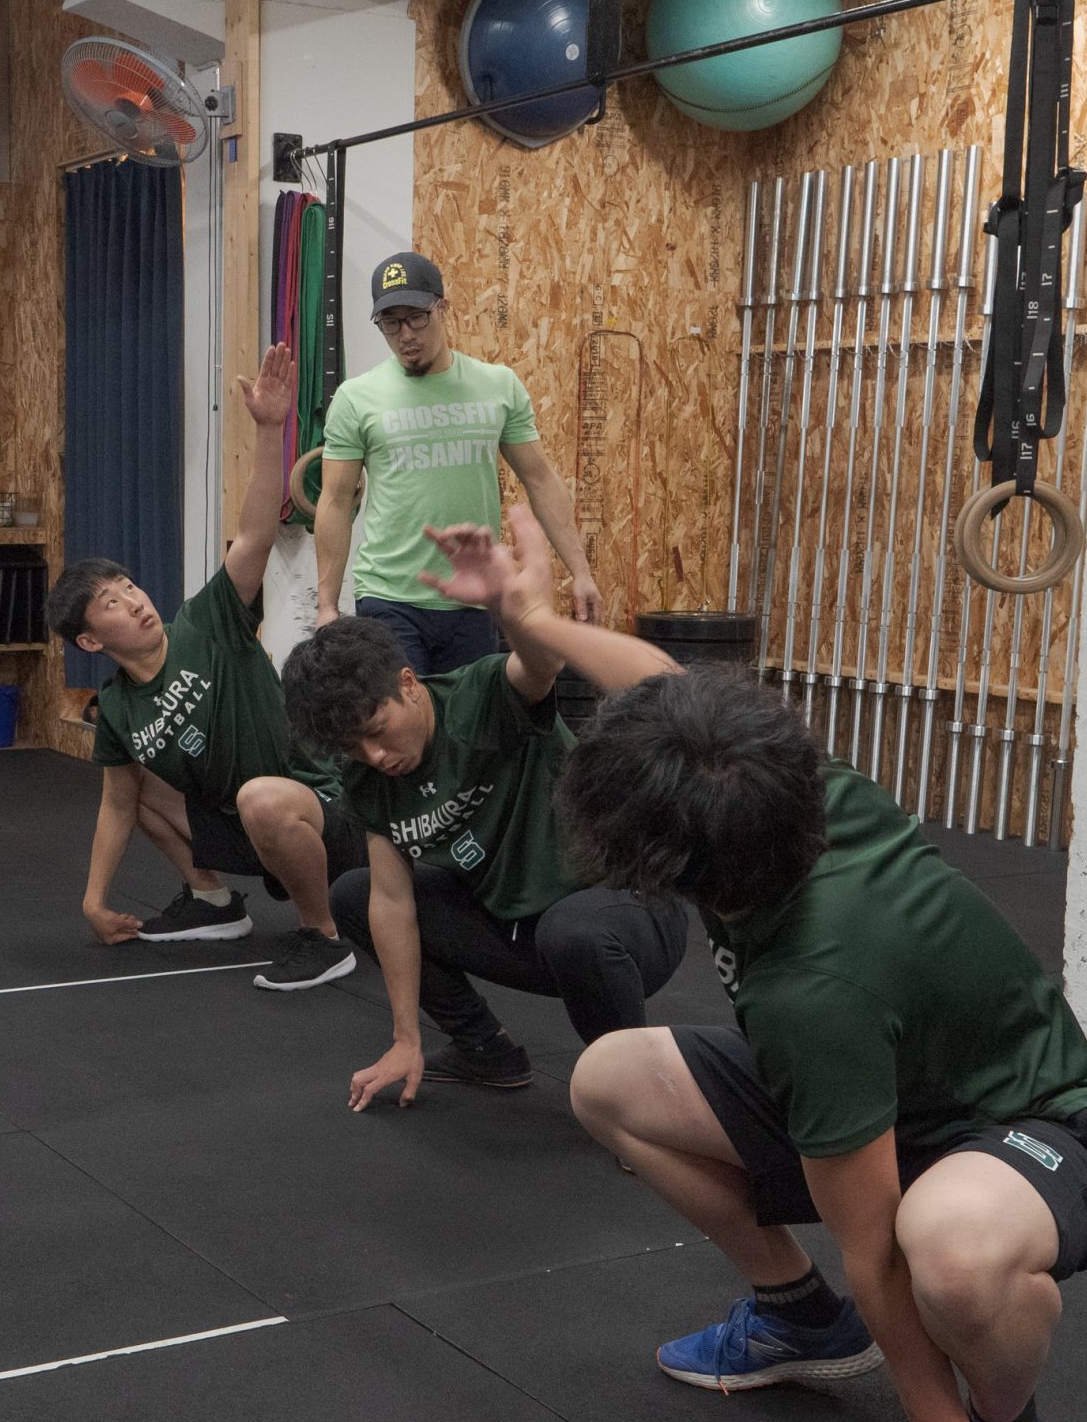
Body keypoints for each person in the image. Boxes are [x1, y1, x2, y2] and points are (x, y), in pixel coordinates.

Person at [455, 524, 1087, 1422]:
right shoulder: (790, 792)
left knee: (942, 1253)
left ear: (661, 863)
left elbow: (876, 1248)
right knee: (610, 1082)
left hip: (1035, 1126)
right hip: (887, 1084)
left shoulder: (811, 988)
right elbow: (665, 686)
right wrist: (531, 620)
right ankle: (792, 1316)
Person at [281, 508, 687, 1107]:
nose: (373, 755)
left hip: (629, 914)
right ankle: (483, 1050)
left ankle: (641, 1098)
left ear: (409, 682)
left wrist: (518, 614)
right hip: (521, 927)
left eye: (377, 728)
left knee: (573, 933)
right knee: (354, 894)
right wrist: (404, 1037)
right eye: (351, 748)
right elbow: (392, 901)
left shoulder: (479, 698)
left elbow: (538, 669)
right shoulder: (367, 778)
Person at [47, 342, 367, 991]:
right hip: (246, 823)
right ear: (88, 641)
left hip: (321, 807)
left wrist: (271, 428)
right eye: (109, 602)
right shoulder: (120, 710)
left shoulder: (206, 620)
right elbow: (115, 807)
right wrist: (93, 897)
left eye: (128, 586)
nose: (133, 600)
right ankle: (212, 900)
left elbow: (251, 534)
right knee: (135, 787)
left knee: (260, 796)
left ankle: (323, 934)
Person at [311, 251, 601, 674]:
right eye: (390, 323)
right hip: (389, 598)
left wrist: (581, 572)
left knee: (468, 733)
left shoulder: (497, 386)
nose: (405, 334)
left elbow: (540, 480)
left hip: (475, 598)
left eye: (416, 318)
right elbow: (335, 503)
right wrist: (326, 606)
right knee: (407, 731)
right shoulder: (357, 398)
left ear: (443, 308)